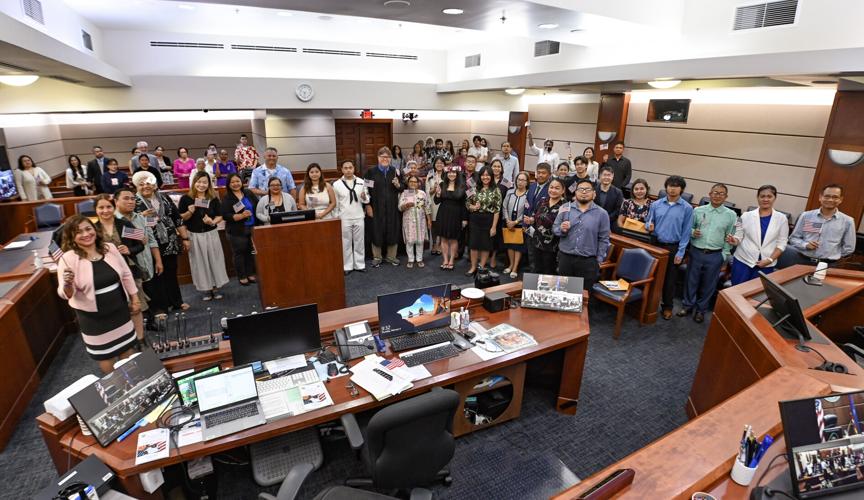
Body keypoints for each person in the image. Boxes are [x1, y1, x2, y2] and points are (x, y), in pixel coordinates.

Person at [57, 215, 139, 373]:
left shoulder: (110, 248)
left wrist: (135, 299)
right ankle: (118, 385)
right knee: (105, 355)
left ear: (94, 229)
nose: (86, 234)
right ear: (71, 237)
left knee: (126, 347)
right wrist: (67, 283)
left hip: (119, 310)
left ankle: (134, 383)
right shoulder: (68, 259)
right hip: (93, 318)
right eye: (78, 232)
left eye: (88, 229)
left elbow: (126, 274)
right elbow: (65, 294)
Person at [94, 193, 150, 341]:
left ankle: (140, 338)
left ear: (114, 207)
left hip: (129, 270)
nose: (105, 210)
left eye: (108, 207)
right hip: (106, 275)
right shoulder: (93, 229)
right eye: (101, 207)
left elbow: (141, 244)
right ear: (95, 210)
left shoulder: (124, 224)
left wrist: (129, 250)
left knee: (135, 305)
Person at [678, 183, 737, 323]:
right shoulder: (698, 210)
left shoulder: (731, 215)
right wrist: (693, 232)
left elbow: (730, 236)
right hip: (696, 251)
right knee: (691, 281)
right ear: (710, 194)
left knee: (709, 285)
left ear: (726, 197)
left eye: (721, 193)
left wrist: (724, 254)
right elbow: (688, 228)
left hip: (715, 255)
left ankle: (701, 310)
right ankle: (687, 306)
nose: (717, 196)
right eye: (715, 192)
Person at [133, 171, 190, 312]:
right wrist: (142, 217)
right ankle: (161, 307)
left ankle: (176, 302)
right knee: (155, 277)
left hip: (170, 242)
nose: (145, 186)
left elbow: (177, 218)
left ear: (154, 184)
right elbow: (127, 227)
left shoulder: (164, 198)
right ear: (136, 187)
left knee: (171, 273)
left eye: (148, 183)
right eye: (141, 184)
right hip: (149, 245)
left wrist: (185, 238)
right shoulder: (133, 202)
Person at [645, 175, 694, 320]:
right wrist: (648, 225)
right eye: (670, 185)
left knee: (670, 280)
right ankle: (647, 303)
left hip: (673, 247)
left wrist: (681, 252)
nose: (672, 189)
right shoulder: (656, 204)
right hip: (655, 244)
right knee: (650, 275)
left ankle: (667, 307)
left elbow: (686, 232)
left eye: (676, 186)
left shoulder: (687, 208)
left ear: (681, 189)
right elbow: (648, 221)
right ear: (666, 187)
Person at [178, 172, 229, 301]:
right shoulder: (186, 199)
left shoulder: (213, 198)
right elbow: (181, 219)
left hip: (211, 234)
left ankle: (216, 287)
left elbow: (220, 215)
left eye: (205, 182)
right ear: (194, 182)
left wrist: (212, 222)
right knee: (200, 263)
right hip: (194, 235)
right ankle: (205, 289)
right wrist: (190, 212)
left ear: (209, 184)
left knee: (214, 260)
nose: (202, 185)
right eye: (199, 182)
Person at [553, 179, 611, 291]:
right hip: (565, 258)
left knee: (584, 294)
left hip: (588, 261)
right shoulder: (565, 208)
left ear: (594, 193)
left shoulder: (602, 214)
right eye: (580, 189)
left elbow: (604, 239)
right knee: (563, 292)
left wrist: (598, 260)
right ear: (575, 193)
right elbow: (555, 228)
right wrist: (561, 229)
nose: (584, 192)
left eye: (587, 189)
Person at [727, 185, 788, 286]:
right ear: (757, 197)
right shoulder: (746, 215)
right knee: (737, 291)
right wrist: (734, 240)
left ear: (775, 198)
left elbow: (782, 243)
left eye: (769, 196)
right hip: (743, 261)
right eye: (762, 196)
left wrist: (770, 260)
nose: (765, 199)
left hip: (766, 264)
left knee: (757, 293)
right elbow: (739, 236)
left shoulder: (782, 219)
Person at [787, 184, 856, 267]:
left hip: (829, 265)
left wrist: (833, 255)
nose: (830, 200)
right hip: (801, 260)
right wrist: (805, 245)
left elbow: (849, 248)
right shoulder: (806, 216)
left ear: (840, 199)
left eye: (835, 197)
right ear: (820, 197)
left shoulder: (848, 221)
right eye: (827, 196)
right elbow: (793, 238)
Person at [364, 146, 403, 267]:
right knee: (376, 230)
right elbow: (365, 190)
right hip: (376, 206)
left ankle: (391, 257)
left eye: (388, 157)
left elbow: (403, 187)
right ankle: (377, 257)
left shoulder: (395, 171)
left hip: (392, 207)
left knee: (393, 230)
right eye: (382, 156)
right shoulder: (371, 172)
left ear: (391, 158)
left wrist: (398, 185)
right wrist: (367, 205)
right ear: (378, 157)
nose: (385, 159)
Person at [221, 173, 258, 286]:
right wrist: (240, 216)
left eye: (237, 181)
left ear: (241, 182)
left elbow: (257, 206)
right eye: (232, 182)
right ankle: (242, 276)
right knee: (239, 253)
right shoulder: (227, 197)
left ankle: (250, 273)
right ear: (228, 184)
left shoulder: (248, 193)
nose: (235, 184)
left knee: (250, 252)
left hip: (252, 227)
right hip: (236, 230)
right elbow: (225, 215)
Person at [333, 160, 369, 274]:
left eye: (350, 167)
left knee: (359, 241)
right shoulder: (336, 184)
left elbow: (367, 199)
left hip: (359, 216)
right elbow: (336, 203)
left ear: (354, 168)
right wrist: (336, 217)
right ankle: (347, 266)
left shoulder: (362, 182)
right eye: (345, 168)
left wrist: (364, 197)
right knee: (346, 242)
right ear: (342, 170)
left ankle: (359, 264)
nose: (348, 170)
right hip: (344, 217)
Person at [465, 166, 502, 275]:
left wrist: (494, 227)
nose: (485, 177)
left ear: (491, 176)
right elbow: (467, 203)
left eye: (487, 175)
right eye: (483, 175)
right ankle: (473, 267)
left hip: (488, 219)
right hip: (475, 219)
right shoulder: (473, 188)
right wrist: (473, 207)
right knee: (473, 244)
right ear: (480, 176)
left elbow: (497, 210)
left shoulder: (496, 190)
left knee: (486, 245)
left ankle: (481, 266)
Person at [531, 178, 567, 274]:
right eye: (551, 187)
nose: (553, 190)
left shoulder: (566, 206)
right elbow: (535, 216)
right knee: (536, 270)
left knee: (549, 273)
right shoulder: (542, 200)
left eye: (557, 188)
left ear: (563, 190)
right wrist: (531, 220)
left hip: (553, 247)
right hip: (537, 242)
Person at [435, 167, 467, 270]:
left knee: (454, 239)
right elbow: (436, 201)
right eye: (449, 172)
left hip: (456, 214)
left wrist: (464, 219)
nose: (451, 174)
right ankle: (445, 260)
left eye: (453, 172)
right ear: (446, 174)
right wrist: (438, 194)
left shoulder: (462, 186)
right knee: (444, 238)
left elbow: (464, 204)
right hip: (443, 213)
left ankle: (452, 260)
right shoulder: (442, 184)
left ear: (457, 174)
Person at [399, 175, 433, 268]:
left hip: (420, 221)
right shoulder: (405, 193)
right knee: (410, 241)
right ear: (408, 183)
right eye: (411, 182)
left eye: (415, 182)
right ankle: (410, 259)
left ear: (418, 183)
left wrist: (429, 220)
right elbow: (400, 208)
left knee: (420, 241)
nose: (413, 183)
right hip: (408, 221)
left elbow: (427, 207)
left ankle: (419, 259)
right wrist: (406, 205)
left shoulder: (422, 194)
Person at [502, 171, 530, 279]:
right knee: (510, 245)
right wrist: (507, 220)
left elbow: (527, 211)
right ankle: (510, 265)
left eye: (523, 180)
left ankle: (515, 268)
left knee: (518, 247)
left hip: (519, 223)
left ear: (527, 182)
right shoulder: (510, 192)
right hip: (508, 222)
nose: (520, 182)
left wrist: (516, 222)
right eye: (519, 179)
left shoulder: (528, 195)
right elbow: (504, 207)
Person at [426, 157, 446, 255]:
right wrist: (434, 189)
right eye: (437, 163)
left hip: (443, 202)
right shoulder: (430, 176)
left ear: (444, 164)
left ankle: (440, 244)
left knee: (442, 224)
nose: (439, 164)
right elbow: (427, 192)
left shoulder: (447, 175)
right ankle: (434, 244)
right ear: (434, 164)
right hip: (433, 203)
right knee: (434, 225)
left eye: (441, 163)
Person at [594, 166, 624, 230]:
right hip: (593, 221)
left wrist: (606, 219)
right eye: (604, 175)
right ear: (600, 176)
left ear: (612, 177)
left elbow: (618, 210)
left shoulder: (618, 192)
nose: (606, 177)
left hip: (610, 224)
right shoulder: (593, 189)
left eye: (609, 175)